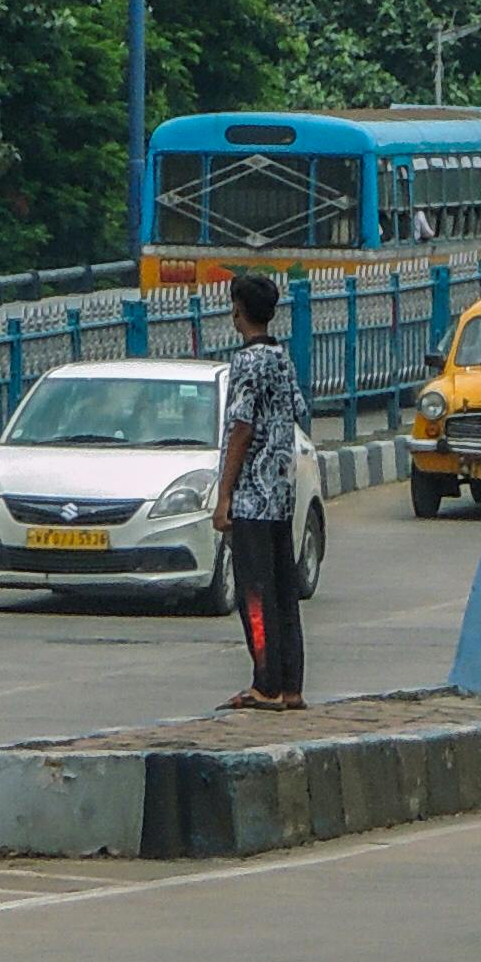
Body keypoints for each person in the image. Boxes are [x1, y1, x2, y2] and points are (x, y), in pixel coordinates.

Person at [211, 270, 311, 711]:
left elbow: (241, 428)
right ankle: (291, 685)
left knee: (254, 595)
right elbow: (298, 410)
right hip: (282, 493)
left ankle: (264, 684)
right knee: (284, 593)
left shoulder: (247, 363)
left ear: (238, 310)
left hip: (252, 494)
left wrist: (225, 493)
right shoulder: (281, 358)